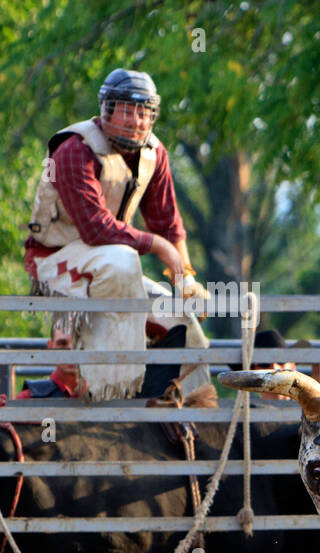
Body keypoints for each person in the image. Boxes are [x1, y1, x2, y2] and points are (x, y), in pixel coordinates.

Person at [24, 68, 209, 401]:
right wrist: (163, 250)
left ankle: (175, 421)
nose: (136, 120)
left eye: (143, 112)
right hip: (55, 261)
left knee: (186, 327)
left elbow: (167, 223)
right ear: (106, 110)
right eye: (126, 109)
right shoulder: (74, 150)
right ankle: (112, 398)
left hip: (110, 265)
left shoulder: (155, 153)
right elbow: (97, 229)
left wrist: (186, 279)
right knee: (123, 259)